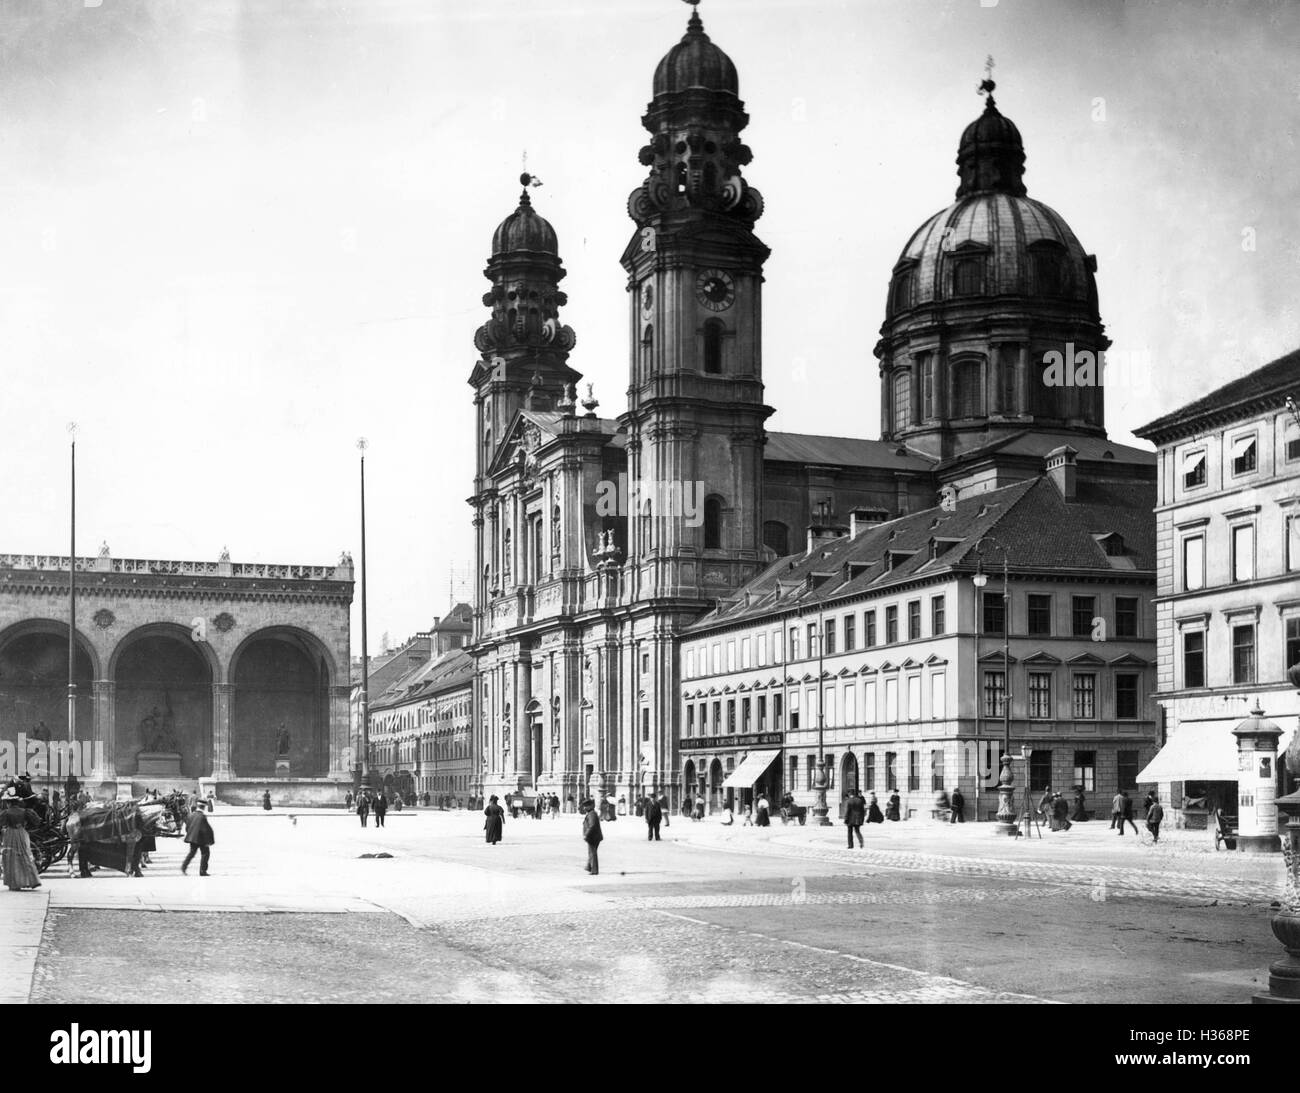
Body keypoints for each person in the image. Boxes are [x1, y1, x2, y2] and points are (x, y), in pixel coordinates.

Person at [1, 789, 42, 890]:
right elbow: (36, 821)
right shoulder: (25, 811)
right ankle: (32, 880)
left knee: (11, 857)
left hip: (10, 834)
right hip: (22, 833)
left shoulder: (6, 813)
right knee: (25, 855)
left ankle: (14, 883)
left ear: (9, 802)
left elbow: (1, 823)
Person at [181, 804, 215, 876]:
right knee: (205, 853)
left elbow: (187, 827)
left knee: (191, 853)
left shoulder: (191, 815)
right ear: (203, 808)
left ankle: (184, 867)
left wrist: (190, 834)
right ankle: (202, 871)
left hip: (192, 838)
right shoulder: (202, 816)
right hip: (201, 839)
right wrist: (209, 840)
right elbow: (206, 829)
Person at [582, 798, 602, 874]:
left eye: (586, 806)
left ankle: (594, 870)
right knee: (591, 852)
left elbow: (592, 825)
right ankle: (589, 866)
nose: (584, 808)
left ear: (590, 806)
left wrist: (586, 835)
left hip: (593, 837)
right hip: (594, 836)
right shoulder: (591, 813)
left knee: (592, 853)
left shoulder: (592, 814)